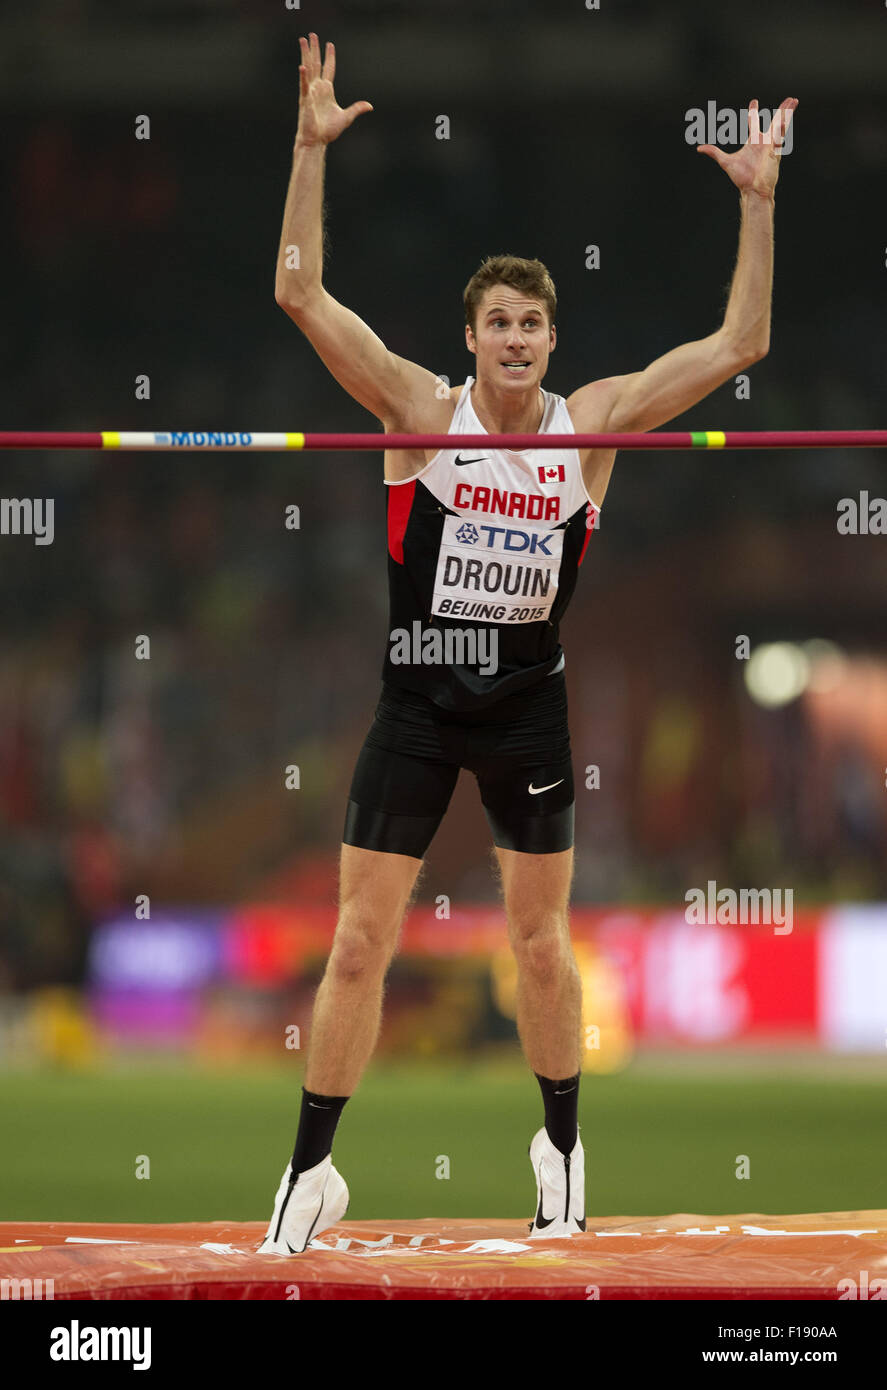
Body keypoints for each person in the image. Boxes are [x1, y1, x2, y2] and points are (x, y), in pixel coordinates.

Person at [258, 31, 796, 1254]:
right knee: (356, 940)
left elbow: (738, 349)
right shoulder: (412, 408)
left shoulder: (589, 423)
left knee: (541, 945)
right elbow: (298, 292)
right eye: (497, 322)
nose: (514, 341)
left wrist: (756, 206)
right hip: (414, 702)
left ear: (551, 342)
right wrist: (306, 147)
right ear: (471, 338)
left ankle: (558, 1149)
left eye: (532, 325)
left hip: (525, 710)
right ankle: (309, 1174)